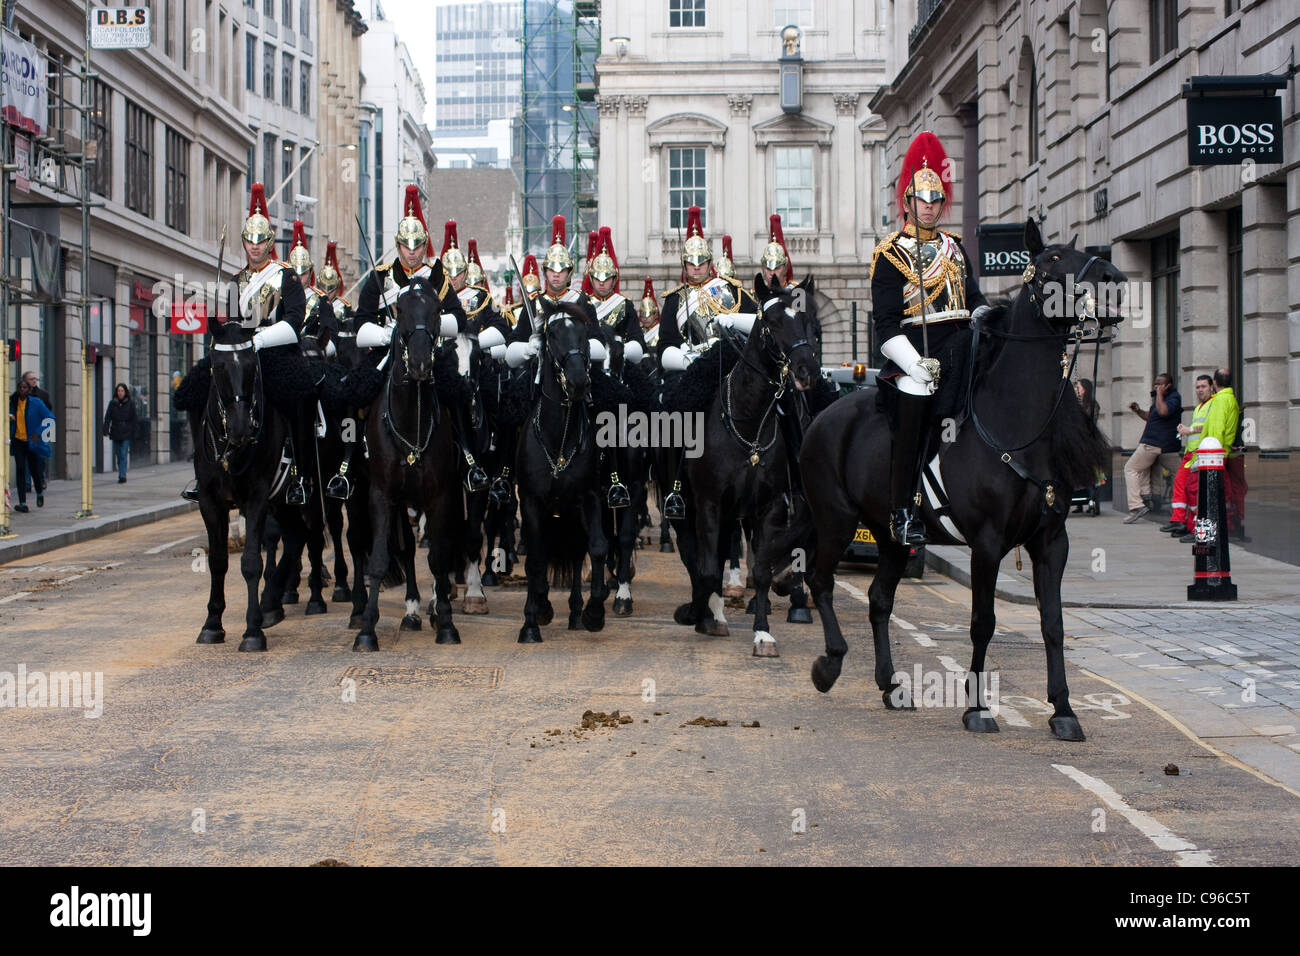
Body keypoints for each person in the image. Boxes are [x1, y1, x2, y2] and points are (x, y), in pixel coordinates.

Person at [870, 131, 990, 545]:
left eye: (936, 200)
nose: (929, 207)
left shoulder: (955, 248)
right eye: (922, 200)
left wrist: (988, 315)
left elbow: (973, 300)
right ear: (908, 201)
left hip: (964, 344)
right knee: (916, 393)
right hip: (918, 351)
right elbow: (884, 324)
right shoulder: (890, 253)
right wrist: (912, 363)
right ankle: (903, 508)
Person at [1122, 372, 1182, 523]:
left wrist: (1160, 395)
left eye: (1160, 384)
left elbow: (1163, 412)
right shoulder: (1160, 399)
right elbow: (1152, 416)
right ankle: (1152, 498)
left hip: (1154, 444)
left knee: (1130, 468)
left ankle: (1136, 506)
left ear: (1169, 385)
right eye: (1155, 384)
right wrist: (1138, 410)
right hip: (1163, 447)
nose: (1156, 387)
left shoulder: (1174, 398)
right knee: (1180, 473)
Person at [1162, 373, 1213, 536]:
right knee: (1179, 484)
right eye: (1197, 387)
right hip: (1190, 454)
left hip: (1202, 455)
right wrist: (1187, 430)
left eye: (1203, 386)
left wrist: (1189, 430)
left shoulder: (1214, 404)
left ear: (1211, 387)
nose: (1200, 390)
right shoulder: (1199, 407)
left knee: (1194, 492)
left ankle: (1195, 528)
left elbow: (1208, 426)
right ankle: (1179, 520)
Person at [8, 376, 55, 511]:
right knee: (21, 469)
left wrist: (38, 432)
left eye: (25, 388)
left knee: (34, 470)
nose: (22, 390)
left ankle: (39, 492)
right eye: (20, 388)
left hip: (32, 441)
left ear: (29, 390)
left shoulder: (37, 403)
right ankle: (22, 503)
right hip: (18, 440)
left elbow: (50, 418)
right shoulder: (12, 402)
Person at [1213, 367, 1247, 536]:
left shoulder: (1221, 400)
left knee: (1222, 491)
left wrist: (1214, 451)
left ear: (1213, 383)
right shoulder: (1229, 399)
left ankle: (1225, 525)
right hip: (1225, 452)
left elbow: (1218, 428)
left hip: (1217, 453)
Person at [103, 382, 137, 483]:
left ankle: (123, 475)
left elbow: (134, 419)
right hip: (116, 432)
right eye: (119, 391)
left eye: (122, 391)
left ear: (125, 392)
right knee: (118, 454)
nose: (120, 393)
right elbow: (107, 417)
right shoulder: (112, 403)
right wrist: (105, 429)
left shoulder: (130, 403)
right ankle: (120, 473)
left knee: (123, 454)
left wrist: (135, 432)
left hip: (126, 432)